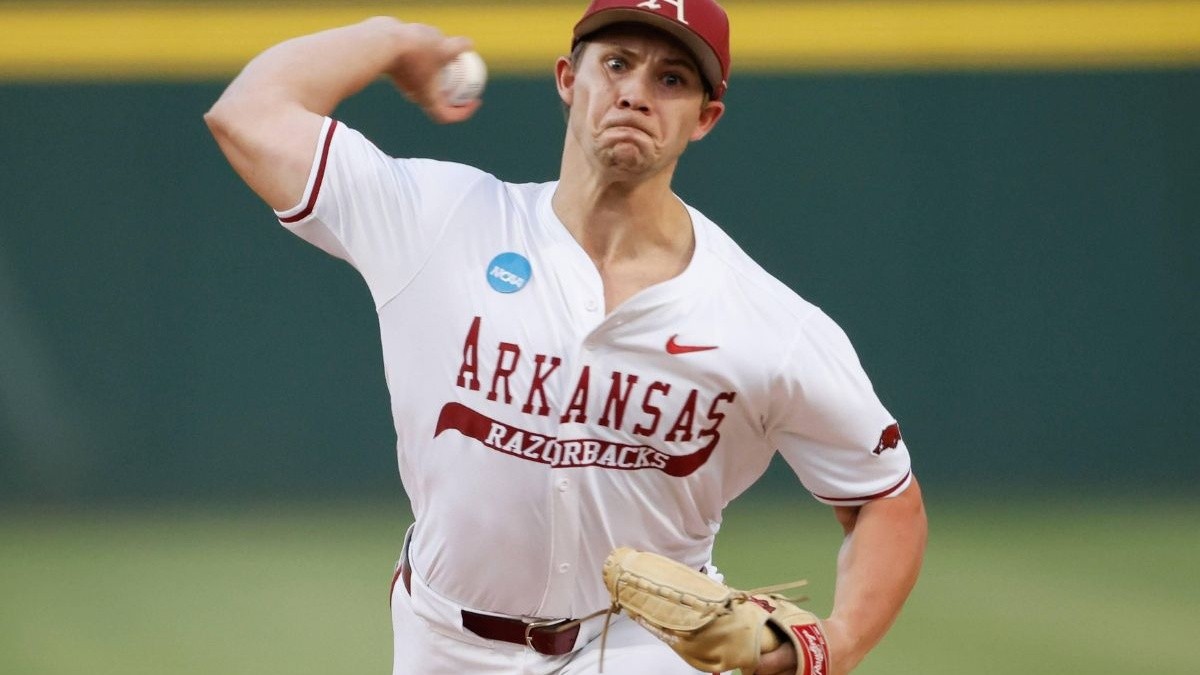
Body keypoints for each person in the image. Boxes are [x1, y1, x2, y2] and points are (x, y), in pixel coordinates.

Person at [205, 1, 927, 673]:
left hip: (644, 643)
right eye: (617, 63)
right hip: (442, 640)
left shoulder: (768, 322)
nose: (637, 93)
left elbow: (884, 497)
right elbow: (248, 114)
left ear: (704, 118)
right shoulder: (441, 221)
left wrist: (831, 643)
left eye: (671, 78)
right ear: (568, 77)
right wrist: (393, 40)